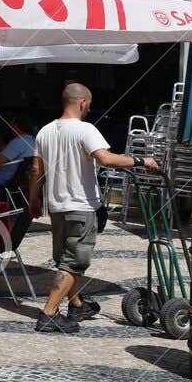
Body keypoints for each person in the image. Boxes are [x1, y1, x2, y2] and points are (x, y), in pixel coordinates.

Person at [30, 83, 157, 333]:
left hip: (57, 207)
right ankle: (49, 314)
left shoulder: (44, 131)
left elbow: (36, 170)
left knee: (65, 261)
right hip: (81, 205)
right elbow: (106, 159)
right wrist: (142, 161)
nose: (89, 108)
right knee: (73, 263)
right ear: (82, 103)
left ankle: (77, 305)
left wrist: (33, 200)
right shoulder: (86, 129)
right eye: (89, 104)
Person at [0, 112, 36, 193]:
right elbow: (6, 148)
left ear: (18, 126)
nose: (10, 127)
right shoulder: (31, 140)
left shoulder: (18, 141)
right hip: (16, 179)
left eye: (12, 125)